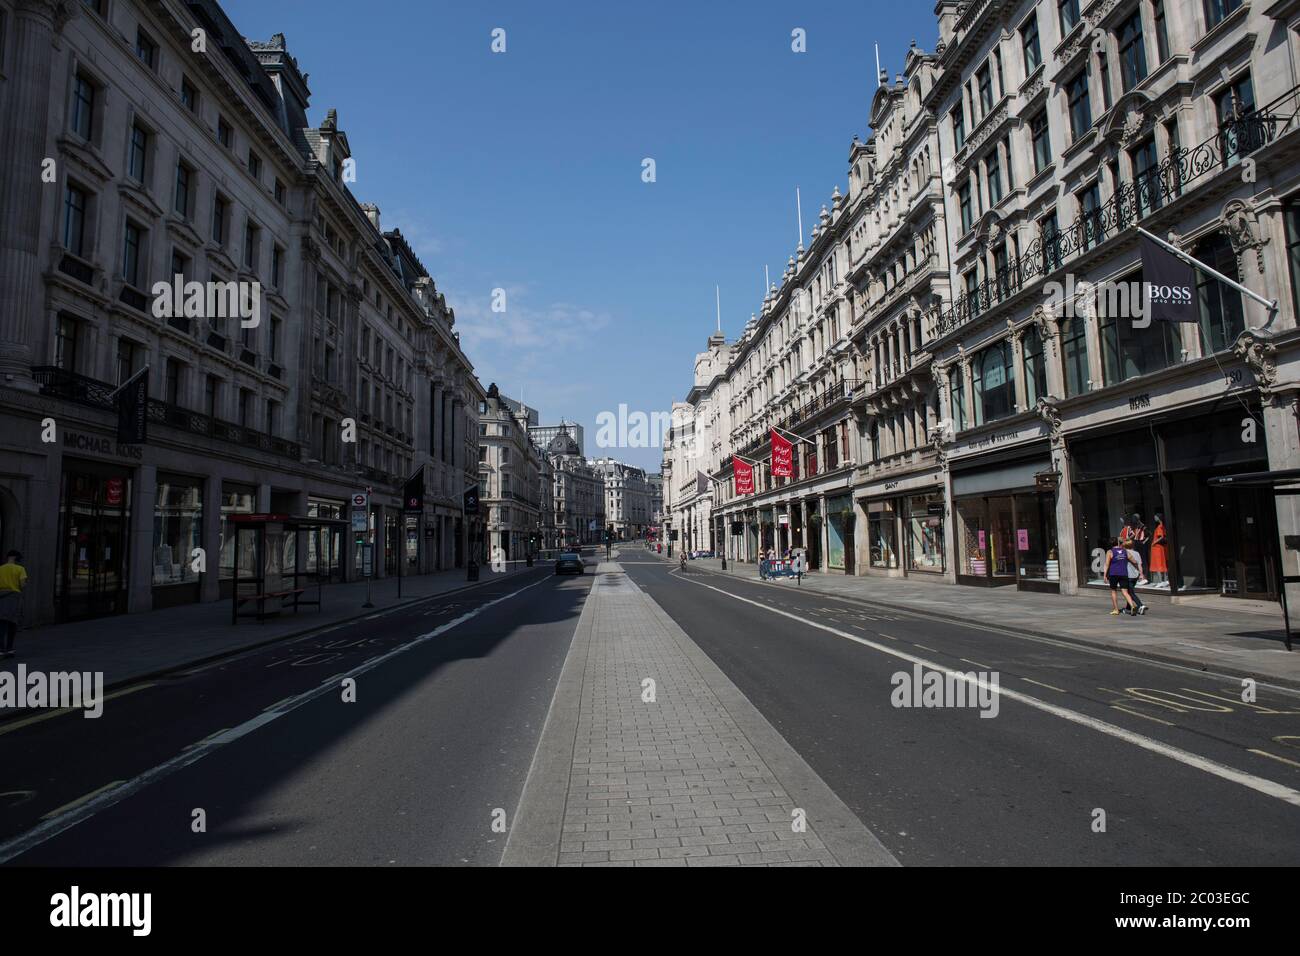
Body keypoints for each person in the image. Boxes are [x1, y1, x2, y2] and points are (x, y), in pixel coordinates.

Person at [0, 550, 27, 658]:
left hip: (1, 597)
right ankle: (10, 648)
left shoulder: (1, 569)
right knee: (13, 623)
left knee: (1, 624)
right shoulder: (20, 569)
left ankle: (1, 649)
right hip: (14, 597)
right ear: (16, 558)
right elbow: (23, 585)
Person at [1105, 537, 1137, 616]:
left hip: (1113, 574)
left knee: (1113, 591)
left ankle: (1116, 610)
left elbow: (1107, 564)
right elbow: (1134, 561)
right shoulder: (1124, 551)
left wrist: (1105, 575)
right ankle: (1132, 606)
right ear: (1118, 543)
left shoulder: (1110, 552)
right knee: (1125, 592)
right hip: (1123, 574)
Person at [1121, 537, 1147, 615]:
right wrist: (1141, 574)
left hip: (1128, 575)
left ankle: (1140, 605)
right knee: (1129, 592)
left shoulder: (1124, 552)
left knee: (1130, 593)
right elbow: (1140, 565)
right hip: (1135, 575)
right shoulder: (1137, 553)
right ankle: (1128, 608)